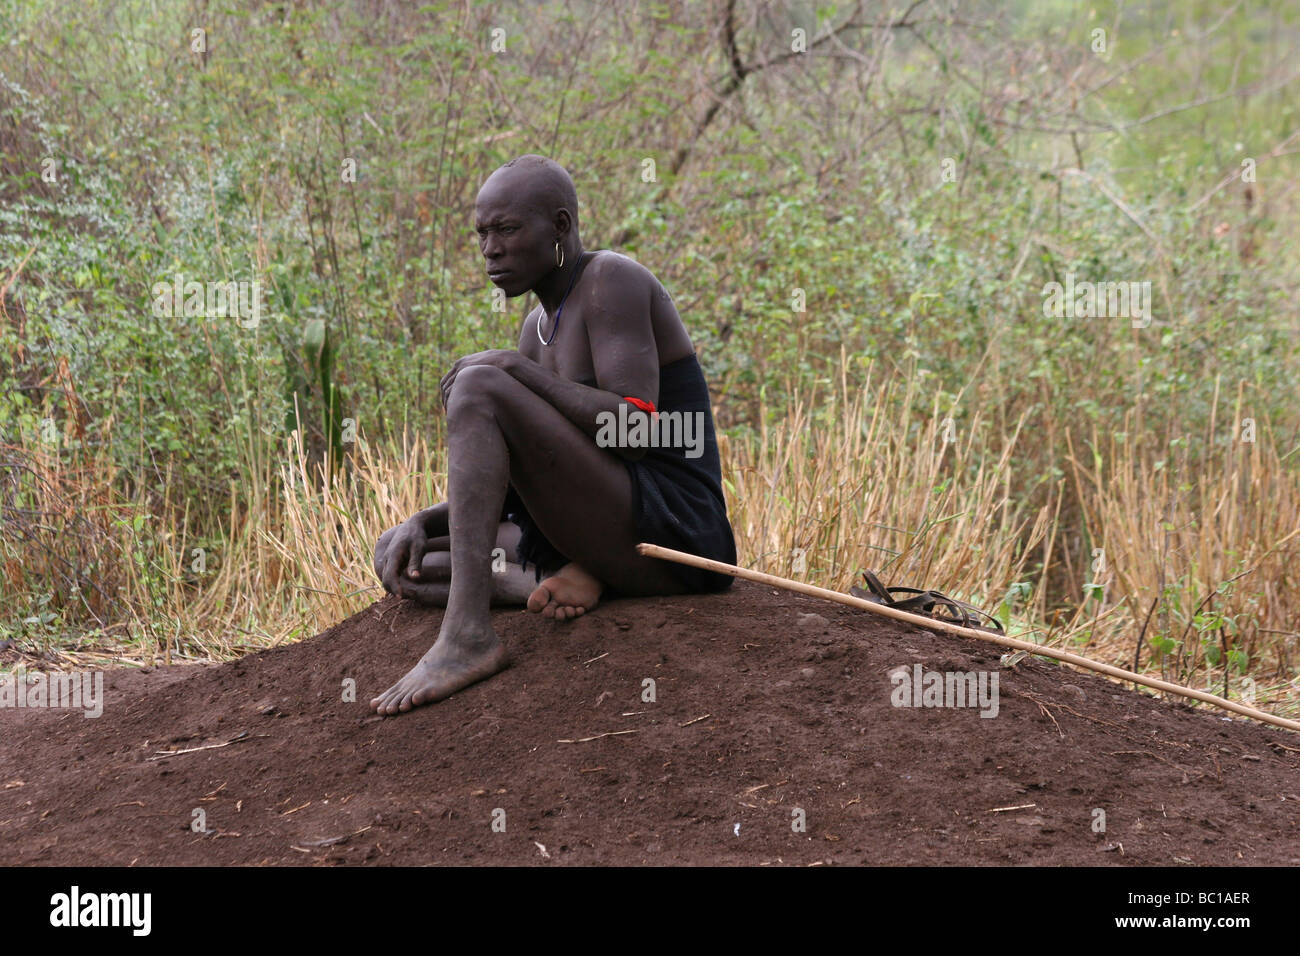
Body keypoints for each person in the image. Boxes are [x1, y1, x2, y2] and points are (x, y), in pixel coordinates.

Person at [369, 155, 735, 716]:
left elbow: (635, 429)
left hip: (673, 536)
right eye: (483, 233)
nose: (490, 248)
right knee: (401, 554)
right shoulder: (535, 329)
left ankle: (468, 636)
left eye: (507, 229)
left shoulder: (611, 281)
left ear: (560, 227)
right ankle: (558, 580)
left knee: (477, 386)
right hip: (596, 531)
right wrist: (424, 519)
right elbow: (526, 483)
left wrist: (513, 372)